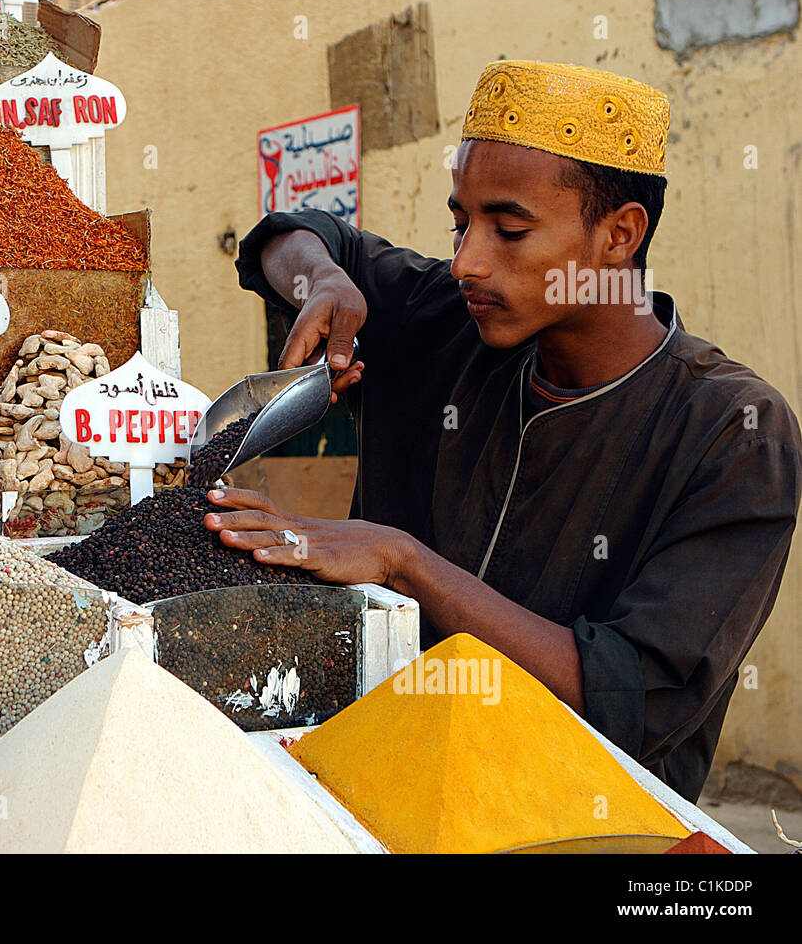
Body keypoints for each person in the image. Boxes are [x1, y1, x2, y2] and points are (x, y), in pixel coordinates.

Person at [217, 60, 802, 801]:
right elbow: (291, 236)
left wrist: (405, 563)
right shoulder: (450, 320)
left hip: (577, 823)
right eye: (460, 223)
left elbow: (632, 697)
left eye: (509, 229)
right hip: (374, 786)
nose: (467, 261)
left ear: (619, 235)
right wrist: (325, 283)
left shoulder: (734, 433)